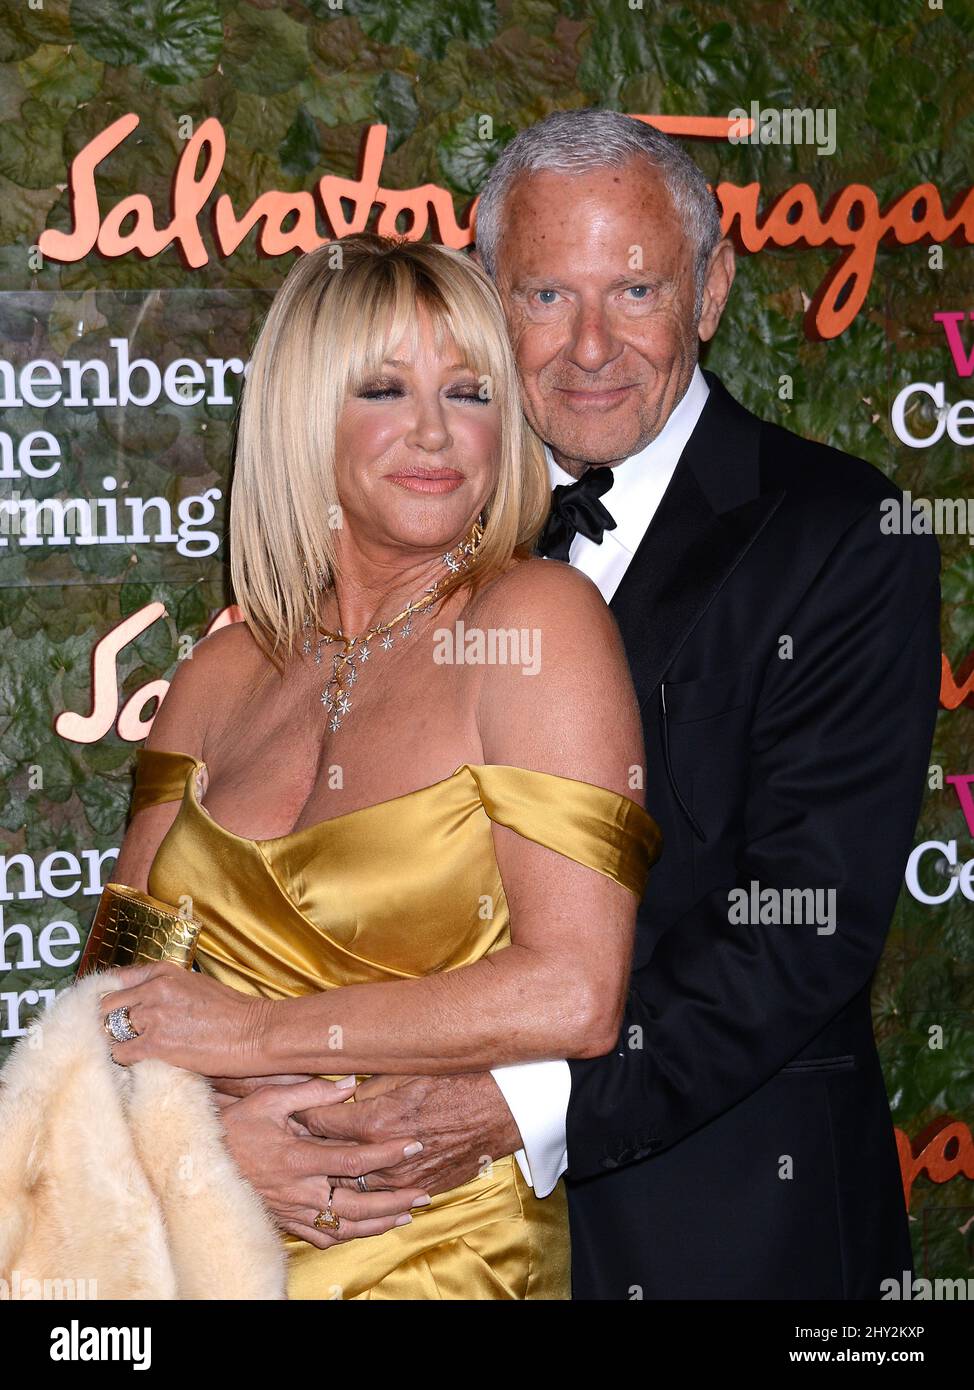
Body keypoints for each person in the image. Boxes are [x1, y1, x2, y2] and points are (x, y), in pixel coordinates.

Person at [292, 109, 942, 1300]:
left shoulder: (838, 534)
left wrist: (518, 1105)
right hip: (429, 1246)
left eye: (635, 289)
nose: (589, 347)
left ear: (708, 291)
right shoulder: (413, 534)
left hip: (728, 1234)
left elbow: (799, 922)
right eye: (543, 296)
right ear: (487, 294)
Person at [101, 232, 661, 1300]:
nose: (436, 432)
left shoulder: (535, 623)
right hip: (209, 1255)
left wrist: (255, 1036)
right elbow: (114, 995)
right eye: (383, 388)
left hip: (438, 1260)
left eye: (468, 391)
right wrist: (202, 1147)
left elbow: (574, 991)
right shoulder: (220, 672)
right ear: (303, 414)